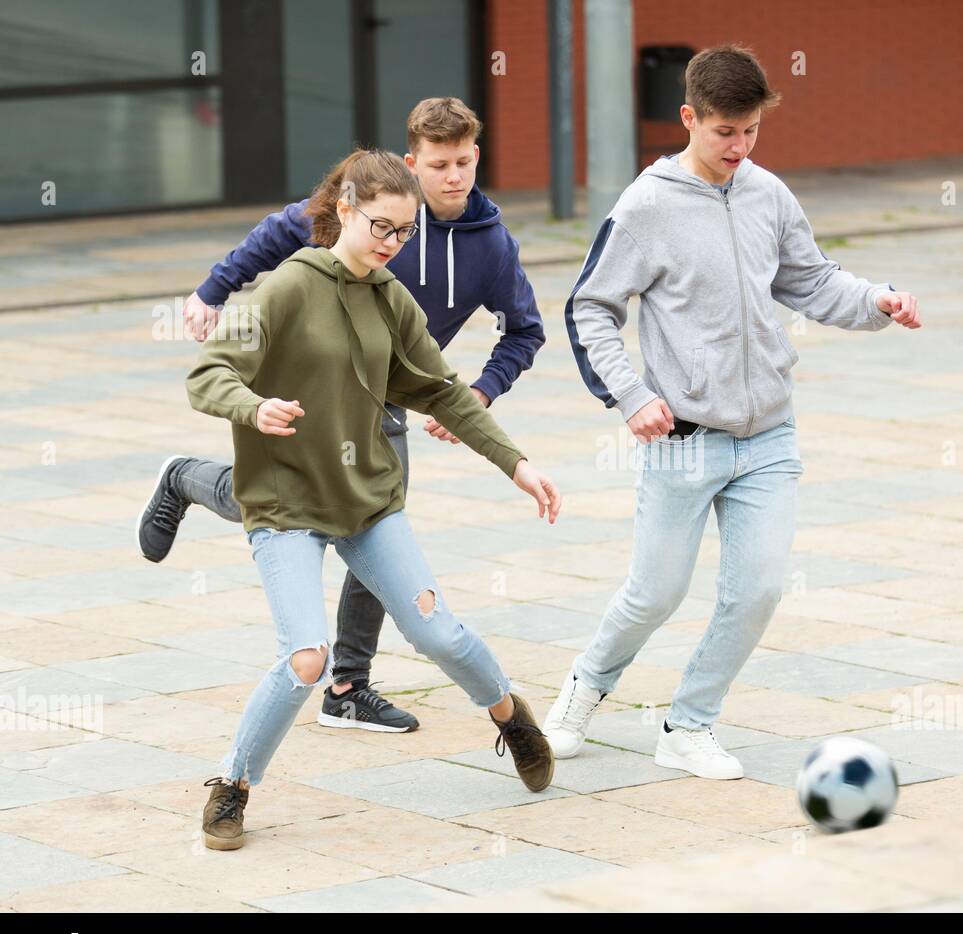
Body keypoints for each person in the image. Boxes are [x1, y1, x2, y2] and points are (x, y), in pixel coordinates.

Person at [546, 44, 921, 779]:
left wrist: (876, 301)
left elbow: (811, 280)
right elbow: (590, 306)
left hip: (769, 435)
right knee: (655, 592)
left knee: (758, 590)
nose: (739, 148)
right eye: (725, 132)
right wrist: (631, 394)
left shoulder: (767, 194)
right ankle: (583, 690)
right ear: (689, 118)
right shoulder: (647, 206)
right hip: (683, 437)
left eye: (751, 131)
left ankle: (688, 724)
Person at [188, 149, 559, 850]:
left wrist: (517, 463)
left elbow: (442, 389)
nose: (391, 243)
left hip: (365, 499)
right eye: (381, 226)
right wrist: (252, 404)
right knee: (306, 659)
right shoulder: (289, 286)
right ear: (346, 211)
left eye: (404, 232)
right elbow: (208, 372)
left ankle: (510, 715)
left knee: (437, 633)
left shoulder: (391, 297)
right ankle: (233, 785)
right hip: (287, 503)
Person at [139, 97, 545, 733]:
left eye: (465, 161)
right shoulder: (369, 210)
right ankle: (185, 478)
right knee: (277, 496)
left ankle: (348, 683)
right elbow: (279, 232)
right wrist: (212, 291)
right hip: (312, 383)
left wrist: (484, 394)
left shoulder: (491, 246)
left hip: (389, 396)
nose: (455, 176)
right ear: (413, 164)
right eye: (439, 164)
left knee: (374, 519)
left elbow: (523, 331)